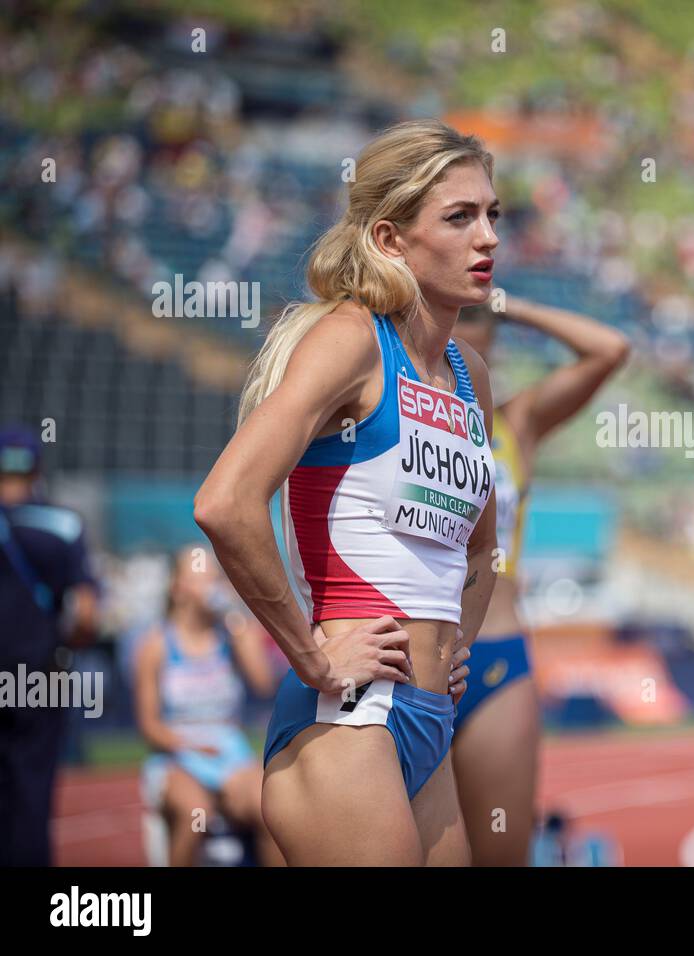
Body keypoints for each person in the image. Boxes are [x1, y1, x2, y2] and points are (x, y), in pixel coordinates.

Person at [194, 119, 496, 865]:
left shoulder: (471, 378)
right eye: (459, 217)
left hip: (430, 718)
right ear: (391, 239)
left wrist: (458, 638)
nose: (487, 237)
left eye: (494, 214)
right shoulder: (352, 340)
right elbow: (225, 503)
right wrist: (311, 656)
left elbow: (484, 551)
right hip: (344, 721)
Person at [451, 296, 628, 865]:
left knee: (501, 851)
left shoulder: (515, 423)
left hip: (497, 656)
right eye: (447, 310)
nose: (462, 324)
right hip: (409, 658)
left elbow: (609, 350)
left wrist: (508, 301)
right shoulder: (392, 411)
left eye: (475, 316)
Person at [134, 546, 282, 865]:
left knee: (271, 808)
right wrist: (193, 746)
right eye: (201, 575)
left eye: (215, 577)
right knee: (194, 813)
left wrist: (237, 620)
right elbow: (149, 727)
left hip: (229, 754)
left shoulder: (229, 635)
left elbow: (263, 682)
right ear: (178, 588)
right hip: (178, 757)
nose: (212, 582)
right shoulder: (156, 645)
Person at [0, 425, 99, 866]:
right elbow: (85, 614)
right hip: (36, 679)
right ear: (36, 468)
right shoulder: (60, 524)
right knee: (30, 795)